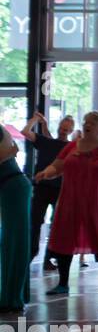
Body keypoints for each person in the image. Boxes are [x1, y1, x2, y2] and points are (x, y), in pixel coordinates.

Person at [33, 111, 98, 295]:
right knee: (64, 240)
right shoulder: (72, 147)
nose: (87, 125)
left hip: (97, 204)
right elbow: (57, 166)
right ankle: (63, 283)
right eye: (85, 122)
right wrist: (46, 173)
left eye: (92, 123)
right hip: (70, 201)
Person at [22, 112, 75, 270]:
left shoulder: (70, 147)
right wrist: (36, 120)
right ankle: (31, 254)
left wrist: (43, 124)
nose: (62, 131)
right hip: (42, 188)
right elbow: (26, 132)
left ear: (70, 131)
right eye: (61, 128)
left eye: (66, 130)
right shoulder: (48, 142)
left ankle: (48, 257)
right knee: (35, 222)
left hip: (59, 189)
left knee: (55, 225)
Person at [0, 125, 31, 314]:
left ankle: (12, 298)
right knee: (10, 242)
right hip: (10, 186)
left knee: (14, 242)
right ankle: (12, 296)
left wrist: (10, 152)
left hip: (14, 186)